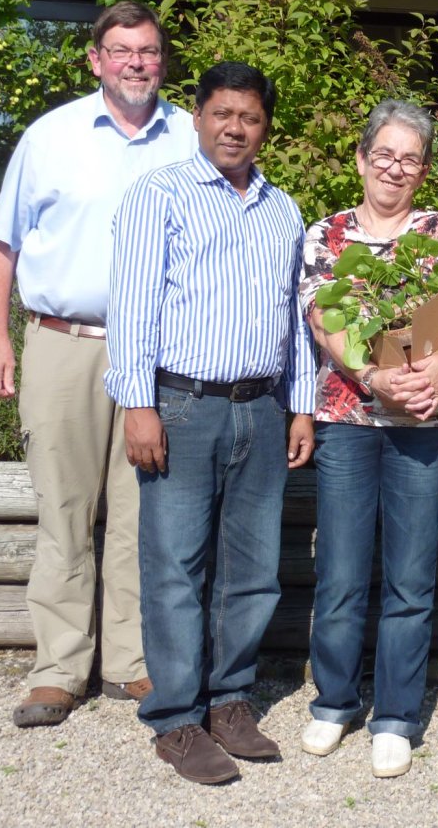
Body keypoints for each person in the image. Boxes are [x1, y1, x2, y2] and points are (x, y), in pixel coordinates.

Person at [0, 1, 196, 727]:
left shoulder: (190, 137)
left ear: (164, 61)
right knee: (64, 510)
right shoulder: (52, 136)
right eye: (122, 50)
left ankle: (131, 662)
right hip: (63, 343)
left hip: (158, 352)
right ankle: (58, 668)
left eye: (150, 50)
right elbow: (0, 241)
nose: (138, 62)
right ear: (95, 59)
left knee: (143, 513)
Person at [103, 61, 316, 785]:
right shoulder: (157, 195)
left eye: (249, 117)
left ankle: (229, 699)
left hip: (259, 404)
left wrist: (301, 404)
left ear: (264, 127)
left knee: (252, 570)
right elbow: (131, 307)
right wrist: (138, 403)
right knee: (174, 565)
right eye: (222, 113)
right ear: (196, 115)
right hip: (182, 405)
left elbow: (297, 318)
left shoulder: (281, 209)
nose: (235, 128)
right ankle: (175, 716)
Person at [297, 100, 438, 778]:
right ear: (361, 159)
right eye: (382, 154)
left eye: (409, 157)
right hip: (349, 419)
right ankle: (334, 699)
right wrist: (367, 372)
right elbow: (321, 320)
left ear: (422, 170)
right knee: (341, 571)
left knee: (411, 577)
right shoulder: (324, 233)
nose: (394, 167)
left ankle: (395, 714)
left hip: (422, 422)